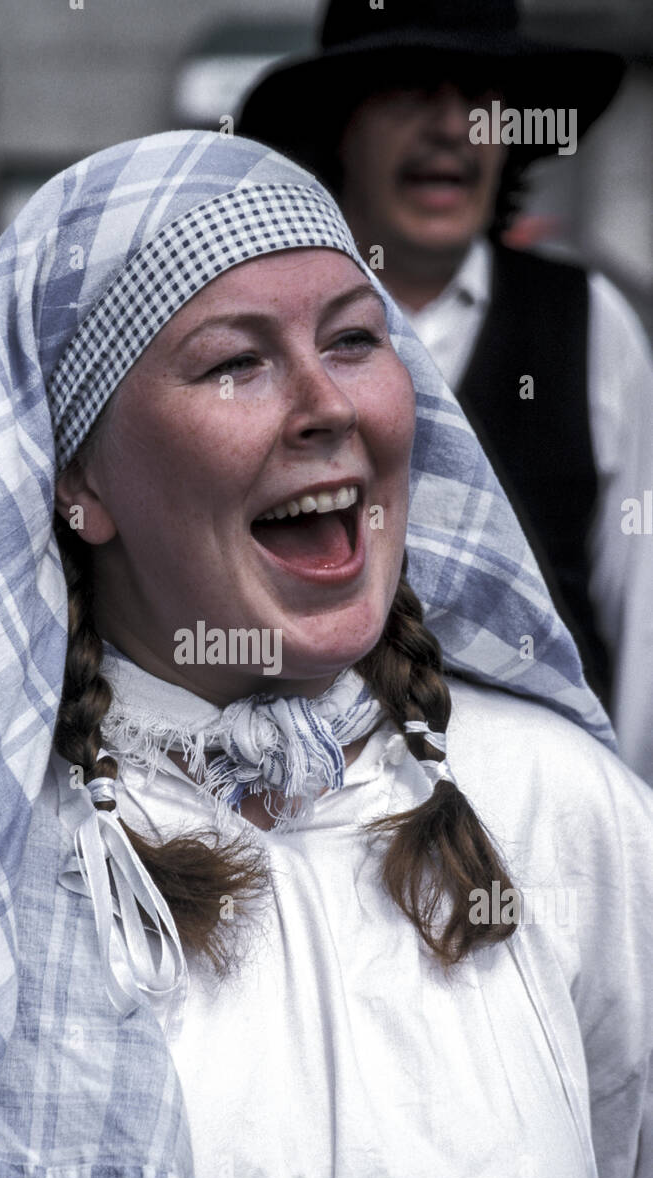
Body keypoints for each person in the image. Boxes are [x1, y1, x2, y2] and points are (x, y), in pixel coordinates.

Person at [0, 129, 651, 1178]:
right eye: (234, 364)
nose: (325, 406)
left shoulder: (552, 805)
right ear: (75, 480)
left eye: (355, 340)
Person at [238, 0, 653, 788]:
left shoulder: (588, 322)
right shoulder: (258, 329)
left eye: (481, 98)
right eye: (407, 90)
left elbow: (643, 624)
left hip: (549, 822)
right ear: (342, 127)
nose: (451, 126)